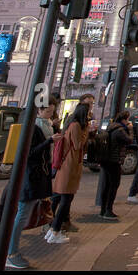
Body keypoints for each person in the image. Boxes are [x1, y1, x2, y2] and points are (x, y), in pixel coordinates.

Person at [5, 112, 55, 270]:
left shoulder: (28, 127)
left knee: (22, 214)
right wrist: (50, 141)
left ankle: (11, 251)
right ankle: (11, 253)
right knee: (21, 215)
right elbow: (31, 153)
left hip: (29, 177)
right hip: (29, 178)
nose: (49, 114)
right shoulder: (31, 129)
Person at [46, 102, 91, 244]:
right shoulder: (76, 126)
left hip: (66, 165)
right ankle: (55, 231)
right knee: (66, 199)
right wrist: (87, 130)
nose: (90, 115)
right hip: (69, 166)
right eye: (89, 113)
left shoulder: (71, 124)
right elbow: (78, 145)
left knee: (60, 197)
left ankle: (52, 229)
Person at [96, 110, 133, 219]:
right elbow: (129, 140)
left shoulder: (111, 127)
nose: (128, 122)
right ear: (124, 119)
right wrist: (130, 130)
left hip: (106, 160)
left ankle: (103, 210)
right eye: (128, 119)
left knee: (106, 186)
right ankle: (108, 210)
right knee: (114, 185)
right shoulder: (120, 130)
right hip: (114, 161)